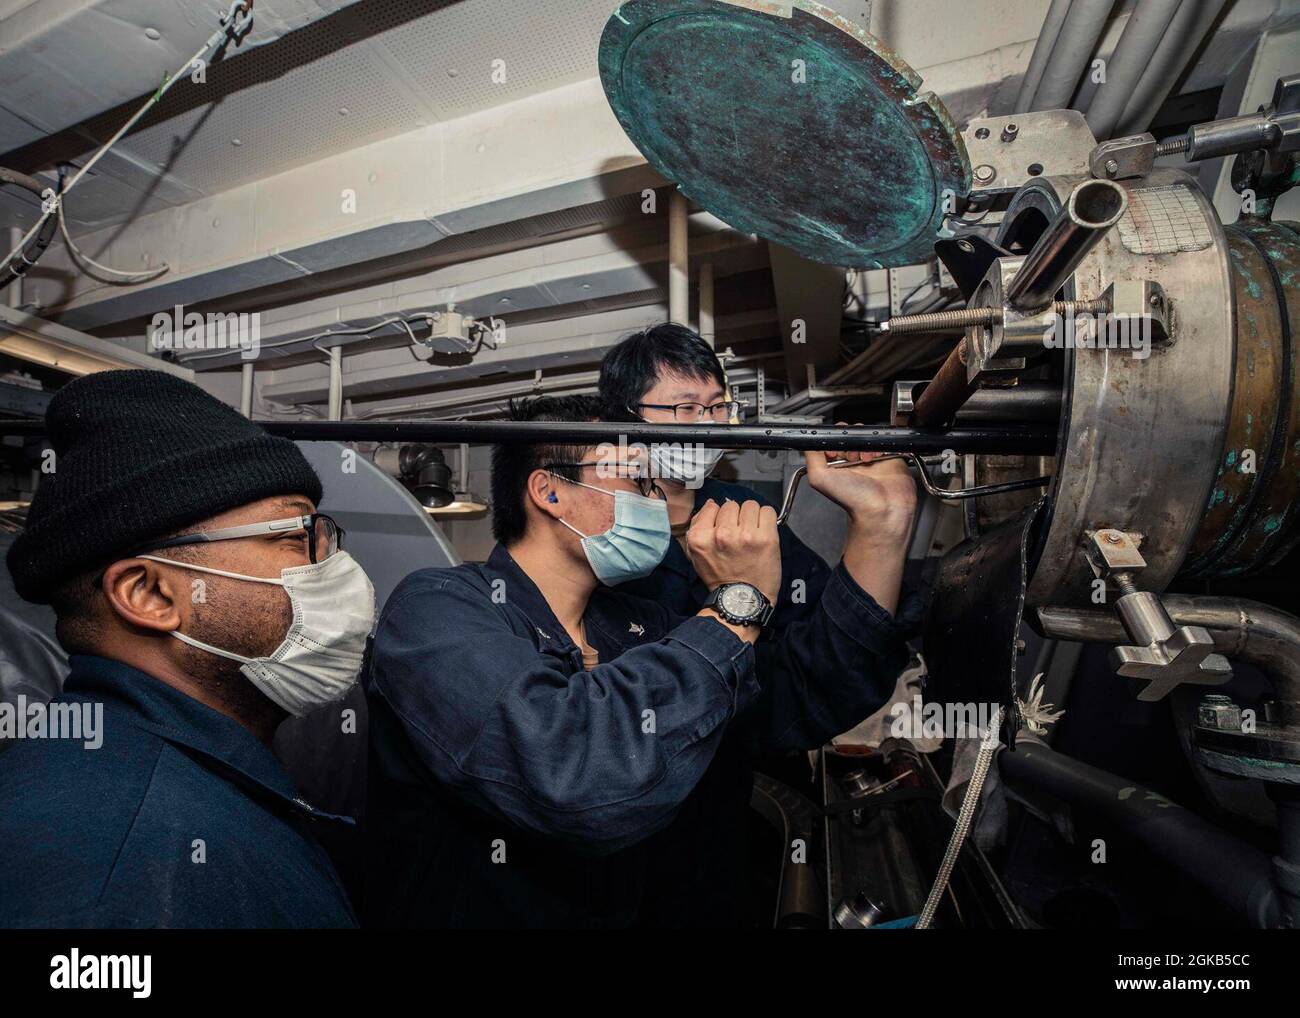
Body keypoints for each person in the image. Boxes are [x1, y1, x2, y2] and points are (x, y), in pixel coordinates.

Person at [363, 394, 917, 927]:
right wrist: (737, 601)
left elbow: (807, 689)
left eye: (654, 484)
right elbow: (575, 775)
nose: (655, 501)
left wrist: (881, 527)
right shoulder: (436, 609)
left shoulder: (636, 624)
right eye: (634, 478)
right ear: (550, 492)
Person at [0, 370, 365, 928]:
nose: (335, 569)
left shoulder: (191, 777)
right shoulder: (109, 875)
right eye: (295, 537)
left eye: (325, 538)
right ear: (148, 593)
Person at [598, 323, 835, 627]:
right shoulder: (602, 526)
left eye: (717, 406)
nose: (707, 422)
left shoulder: (745, 507)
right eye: (687, 407)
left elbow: (813, 622)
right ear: (628, 416)